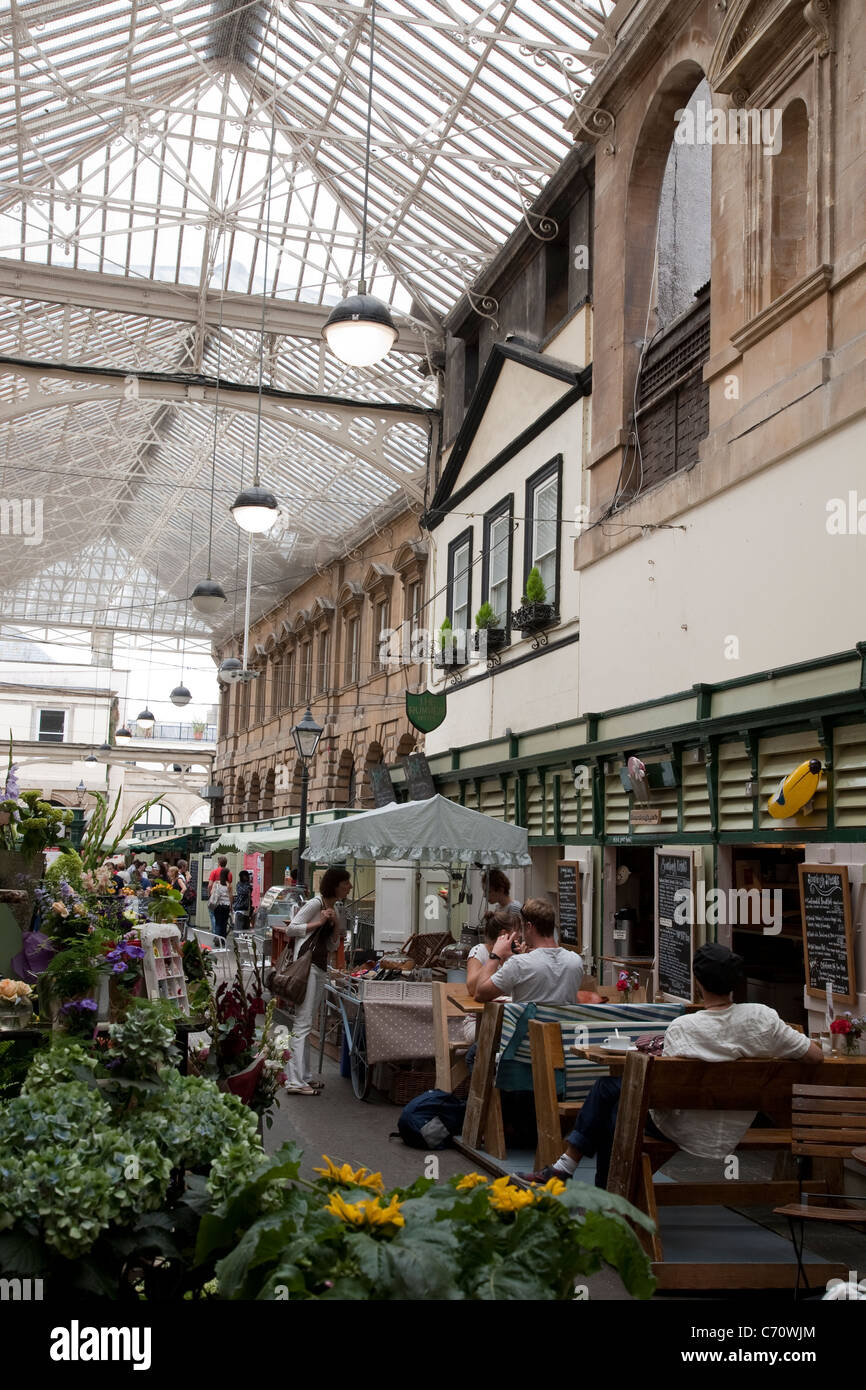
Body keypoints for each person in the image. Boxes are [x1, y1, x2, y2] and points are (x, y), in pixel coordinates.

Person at [520, 942, 822, 1186]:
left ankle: (588, 1184)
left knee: (612, 1100)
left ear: (699, 982)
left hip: (685, 1126)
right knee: (612, 1102)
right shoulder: (763, 1018)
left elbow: (658, 1091)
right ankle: (584, 1182)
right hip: (735, 1124)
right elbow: (815, 1057)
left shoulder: (684, 1027)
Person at [282, 868, 351, 1095]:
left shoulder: (333, 907)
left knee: (307, 1023)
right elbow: (291, 929)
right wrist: (319, 922)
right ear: (335, 885)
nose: (349, 887)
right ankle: (294, 1080)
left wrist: (336, 928)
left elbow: (331, 947)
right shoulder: (315, 904)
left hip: (320, 968)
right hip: (307, 968)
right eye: (345, 883)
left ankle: (305, 1077)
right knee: (302, 1023)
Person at [474, 898, 584, 1005]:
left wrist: (495, 955)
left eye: (522, 928)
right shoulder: (575, 961)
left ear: (529, 926)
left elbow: (480, 994)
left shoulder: (518, 964)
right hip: (562, 1023)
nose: (521, 934)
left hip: (527, 1023)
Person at [208, 856, 232, 931]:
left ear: (218, 863)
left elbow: (210, 885)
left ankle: (215, 934)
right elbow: (229, 887)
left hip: (215, 898)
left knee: (213, 916)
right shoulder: (229, 873)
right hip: (226, 902)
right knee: (224, 923)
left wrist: (210, 894)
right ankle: (221, 937)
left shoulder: (214, 872)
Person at [233, 869, 253, 933]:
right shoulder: (240, 885)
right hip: (240, 910)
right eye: (246, 876)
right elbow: (244, 891)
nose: (248, 878)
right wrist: (248, 887)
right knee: (239, 930)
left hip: (247, 911)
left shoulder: (248, 885)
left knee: (245, 931)